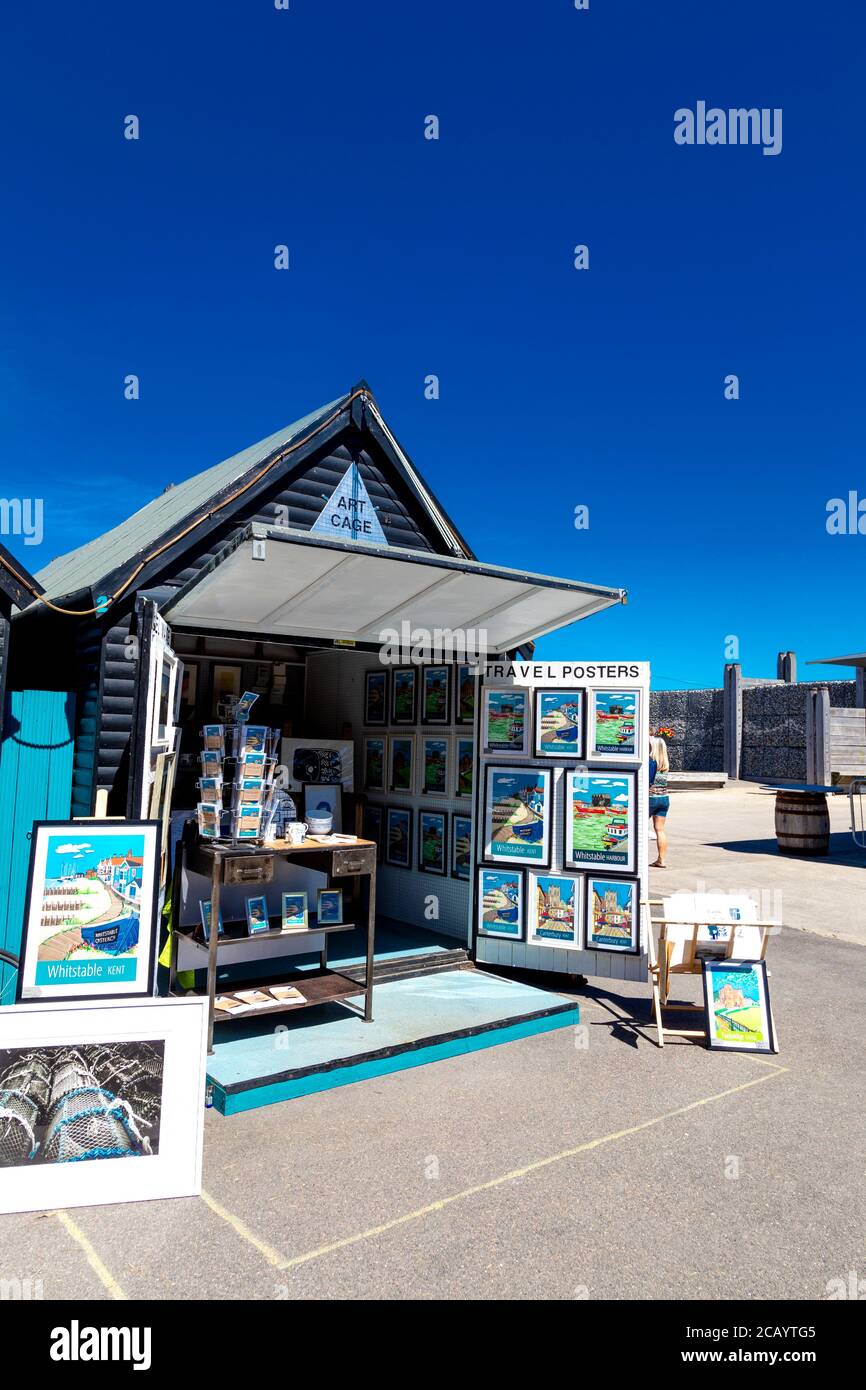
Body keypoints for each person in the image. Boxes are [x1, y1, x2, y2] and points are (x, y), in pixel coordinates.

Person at [648, 735, 670, 867]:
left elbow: (648, 782)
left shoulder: (651, 762)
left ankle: (637, 859)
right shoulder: (665, 764)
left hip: (651, 799)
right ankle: (661, 859)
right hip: (664, 798)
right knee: (660, 830)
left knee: (638, 828)